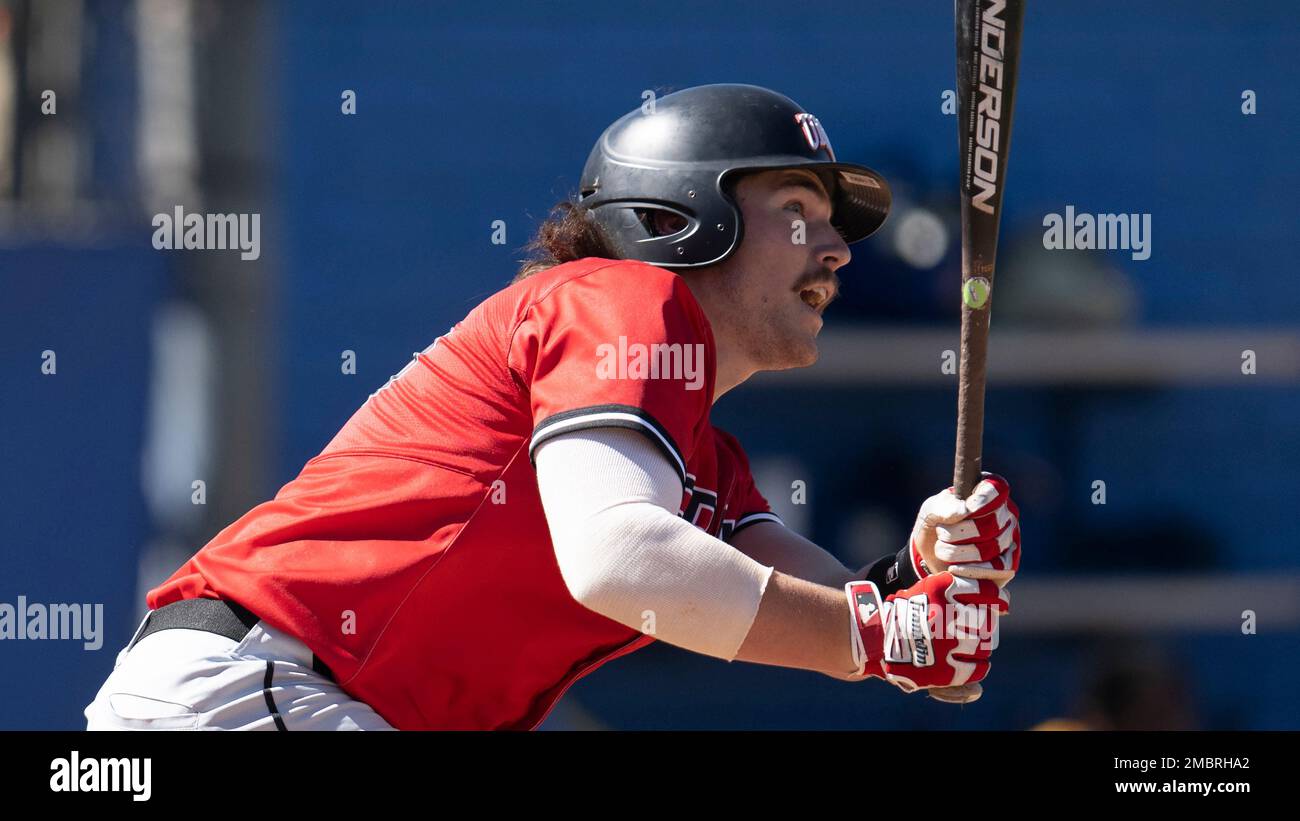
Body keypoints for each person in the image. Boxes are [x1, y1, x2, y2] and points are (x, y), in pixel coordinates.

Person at [84, 83, 1020, 731]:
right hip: (258, 689)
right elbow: (622, 557)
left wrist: (917, 580)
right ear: (678, 218)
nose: (837, 250)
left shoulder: (706, 454)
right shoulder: (618, 298)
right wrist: (883, 634)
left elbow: (826, 607)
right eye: (795, 210)